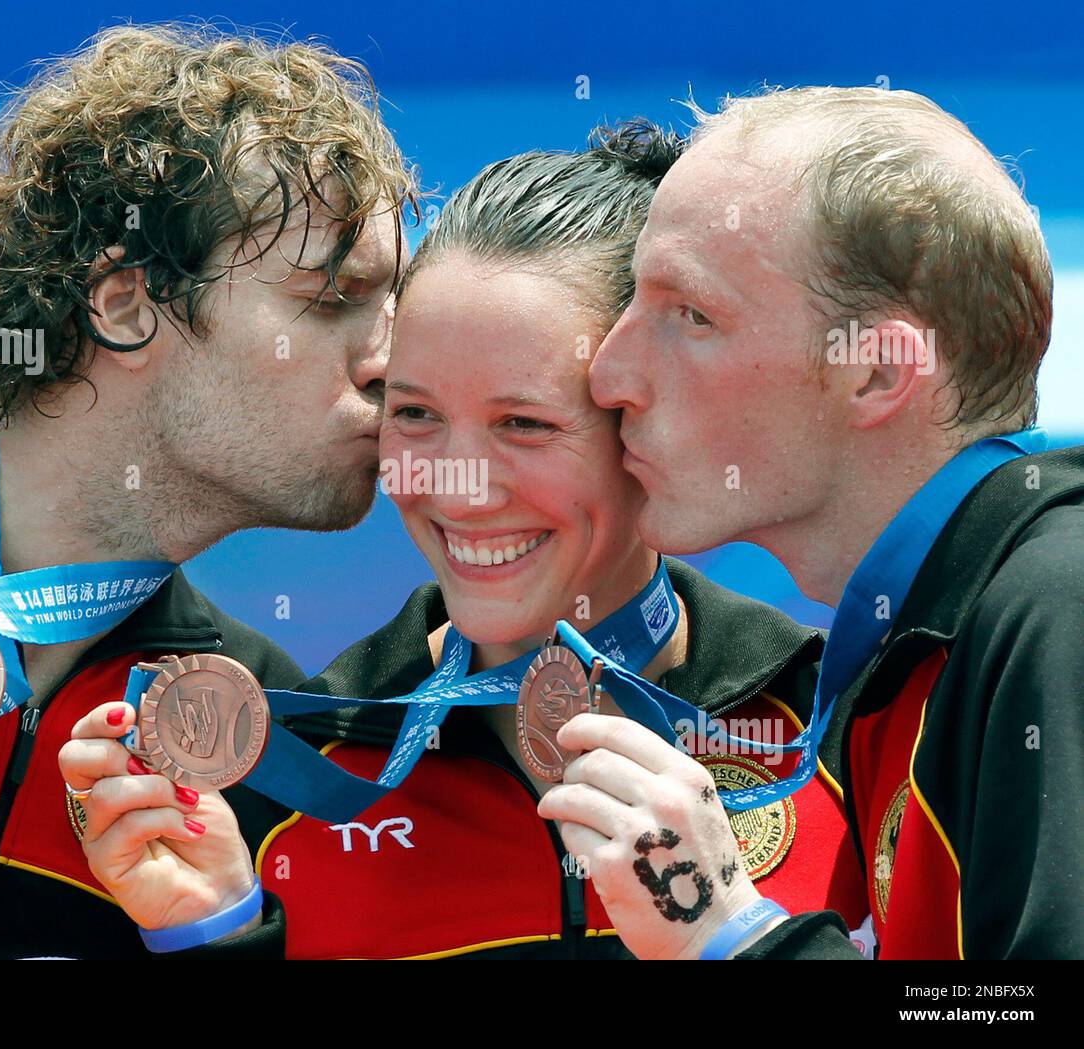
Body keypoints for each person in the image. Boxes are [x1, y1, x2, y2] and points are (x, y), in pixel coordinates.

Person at [64, 122, 869, 959]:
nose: (459, 483)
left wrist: (738, 941)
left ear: (645, 422)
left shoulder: (840, 720)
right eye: (415, 415)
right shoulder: (296, 777)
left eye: (524, 422)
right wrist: (216, 935)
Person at [0, 22, 415, 960]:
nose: (392, 366)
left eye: (399, 304)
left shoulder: (248, 729)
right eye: (329, 303)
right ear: (123, 305)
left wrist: (222, 942)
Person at [577, 86, 1083, 959]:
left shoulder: (1055, 607)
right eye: (633, 299)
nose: (608, 374)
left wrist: (736, 938)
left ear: (879, 373)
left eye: (691, 314)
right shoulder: (925, 640)